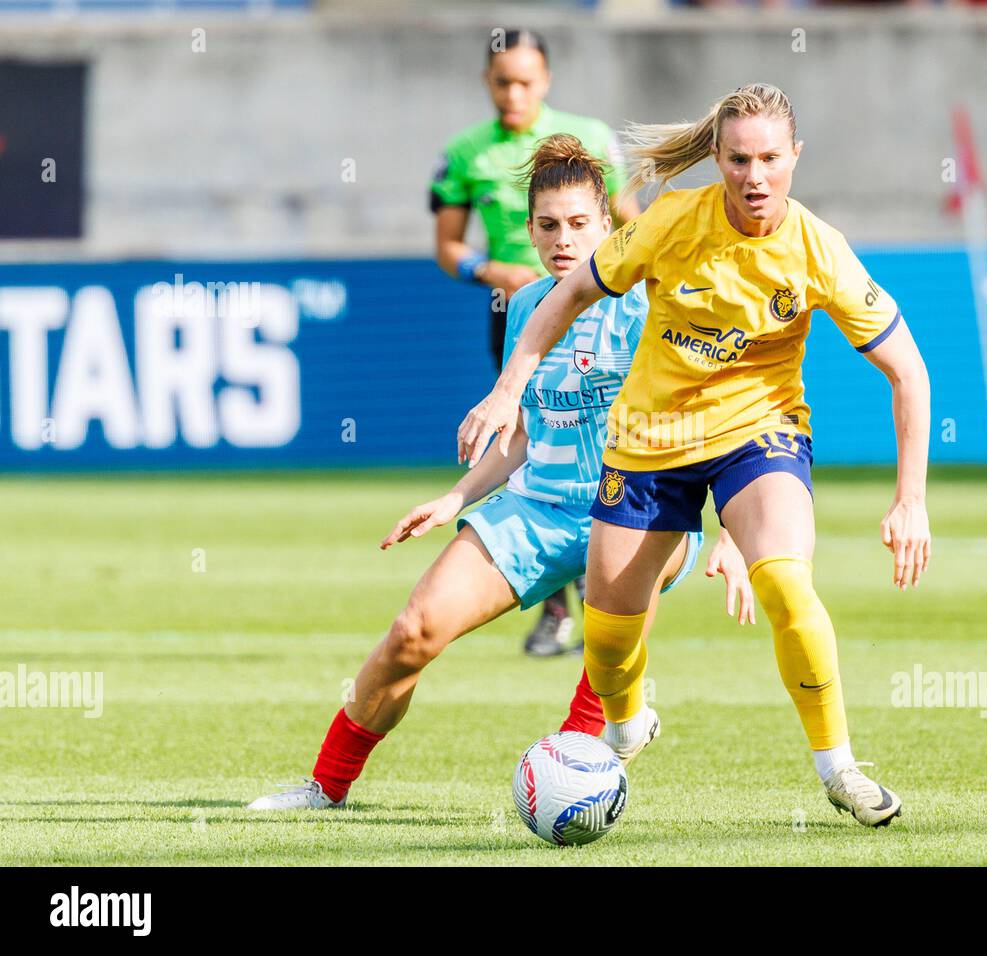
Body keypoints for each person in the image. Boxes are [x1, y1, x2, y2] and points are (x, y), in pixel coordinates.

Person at [459, 84, 932, 828]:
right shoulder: (673, 222)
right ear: (717, 157)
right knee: (609, 634)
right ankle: (625, 725)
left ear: (794, 158)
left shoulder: (819, 249)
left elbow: (908, 370)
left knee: (785, 583)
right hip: (648, 441)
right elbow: (570, 293)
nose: (754, 176)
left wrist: (911, 500)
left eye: (770, 158)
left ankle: (840, 768)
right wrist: (509, 386)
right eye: (739, 158)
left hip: (759, 434)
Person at [249, 135, 752, 812]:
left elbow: (719, 414)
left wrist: (734, 529)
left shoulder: (652, 303)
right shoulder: (526, 305)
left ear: (610, 224)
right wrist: (454, 495)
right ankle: (325, 787)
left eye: (579, 224)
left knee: (610, 619)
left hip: (642, 505)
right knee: (412, 633)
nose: (564, 240)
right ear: (530, 229)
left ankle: (590, 755)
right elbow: (521, 436)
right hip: (539, 507)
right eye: (548, 225)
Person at [430, 28, 640, 657]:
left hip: (601, 304)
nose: (513, 92)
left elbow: (631, 217)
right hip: (518, 307)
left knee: (600, 429)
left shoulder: (593, 140)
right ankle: (555, 607)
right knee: (534, 435)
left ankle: (609, 566)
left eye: (525, 80)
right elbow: (447, 248)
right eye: (502, 81)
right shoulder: (466, 153)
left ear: (546, 79)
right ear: (487, 83)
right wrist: (493, 272)